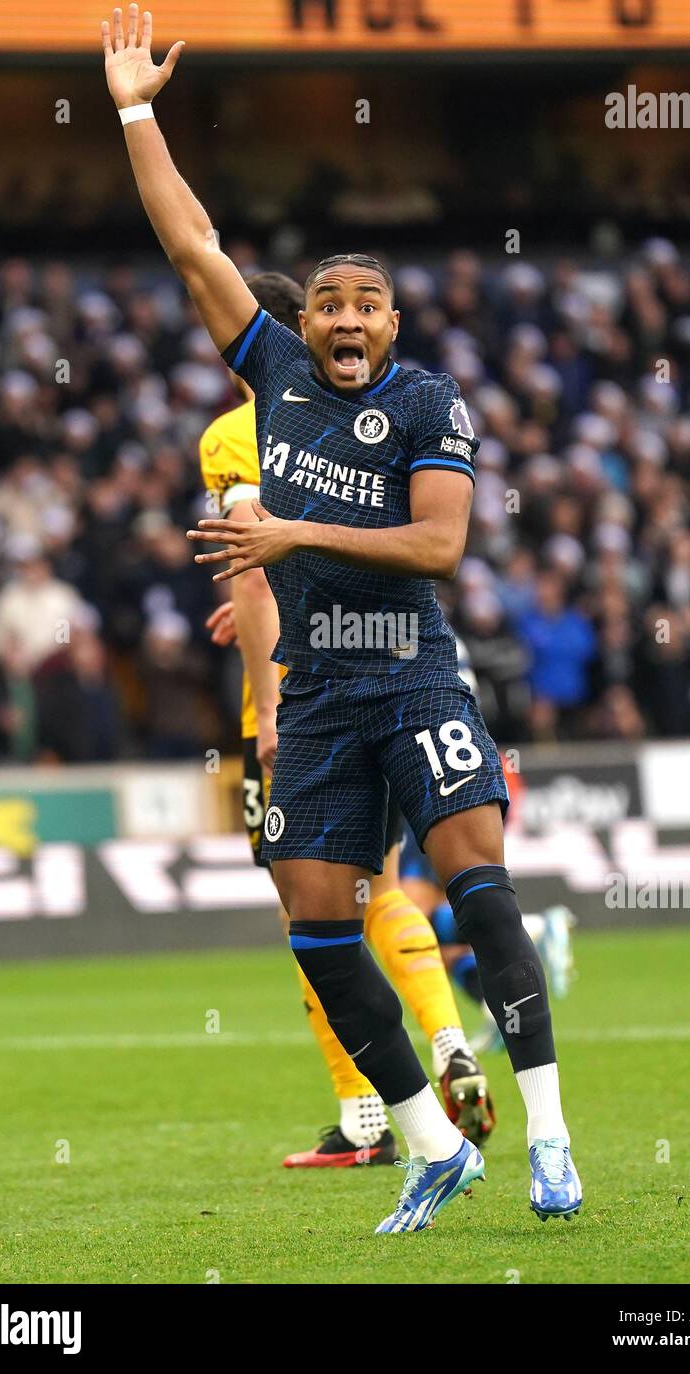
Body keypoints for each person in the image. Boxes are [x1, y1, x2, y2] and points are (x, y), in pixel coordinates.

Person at [102, 3, 581, 1231]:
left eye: (368, 302)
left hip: (415, 676)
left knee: (478, 884)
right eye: (330, 305)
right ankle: (430, 1144)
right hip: (314, 691)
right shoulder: (267, 379)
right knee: (316, 928)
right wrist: (135, 113)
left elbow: (438, 544)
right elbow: (196, 246)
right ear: (303, 325)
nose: (350, 318)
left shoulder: (428, 402)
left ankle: (554, 1140)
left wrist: (291, 532)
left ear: (394, 326)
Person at [200, 271, 495, 1164]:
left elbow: (253, 567)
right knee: (389, 888)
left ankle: (364, 1113)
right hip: (410, 671)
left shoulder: (236, 431)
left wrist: (262, 711)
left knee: (311, 907)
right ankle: (449, 1036)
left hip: (309, 699)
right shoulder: (392, 402)